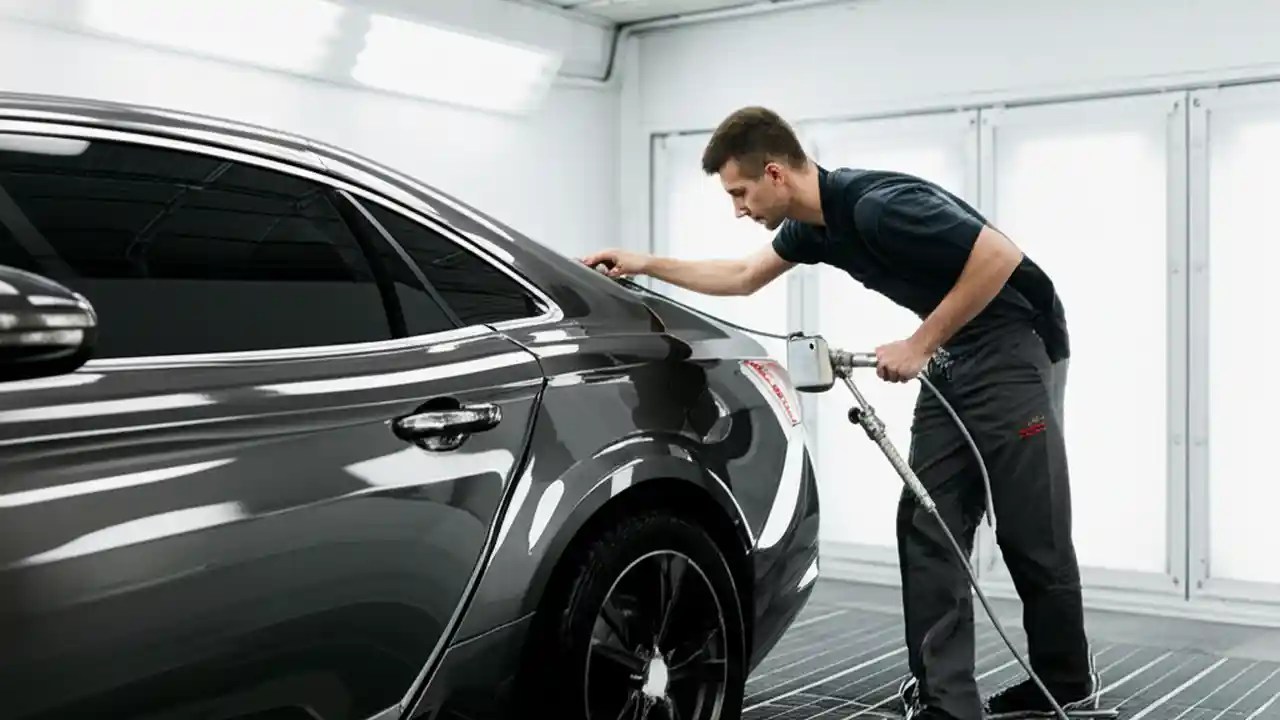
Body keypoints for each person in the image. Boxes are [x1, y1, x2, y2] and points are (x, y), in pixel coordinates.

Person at [580, 106, 1101, 720]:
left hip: (1017, 342)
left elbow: (999, 256)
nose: (738, 209)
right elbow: (745, 275)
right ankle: (947, 701)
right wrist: (643, 264)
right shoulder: (813, 228)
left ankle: (1067, 684)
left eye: (740, 193)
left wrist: (919, 344)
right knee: (927, 522)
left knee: (1029, 529)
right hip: (958, 351)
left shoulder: (880, 205)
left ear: (774, 174)